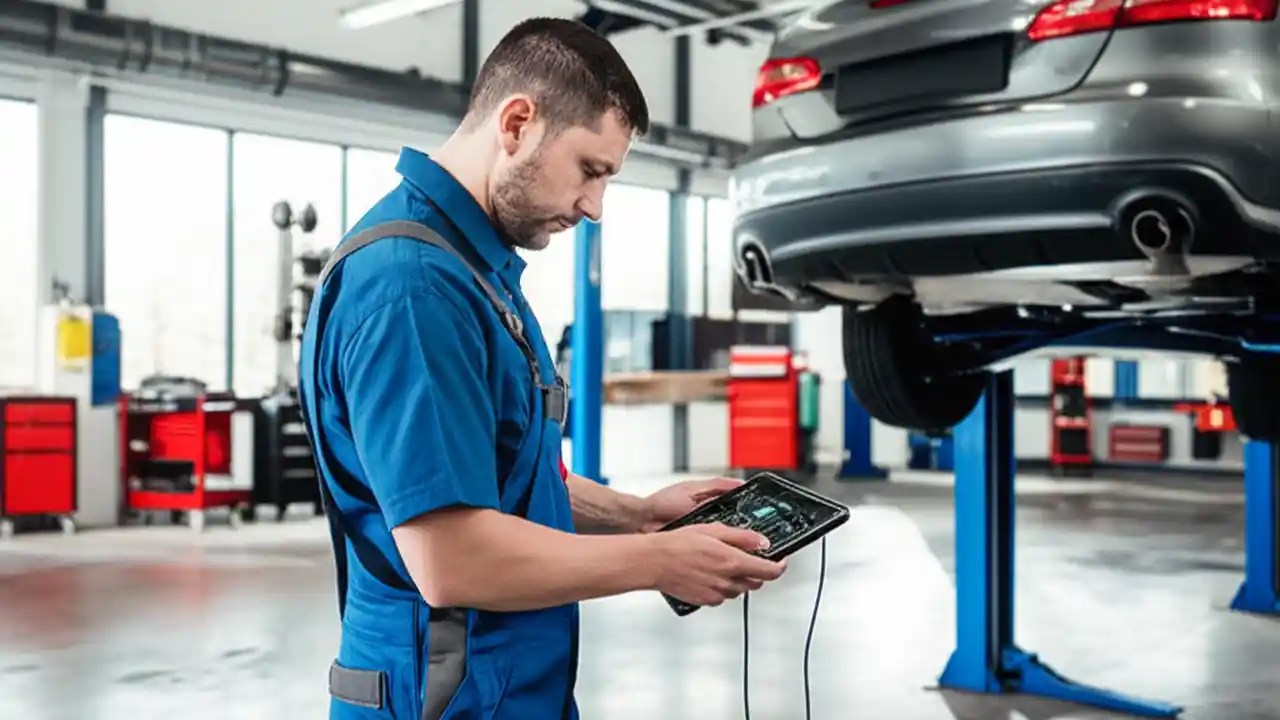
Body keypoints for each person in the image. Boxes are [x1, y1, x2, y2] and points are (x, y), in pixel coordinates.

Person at [297, 17, 787, 720]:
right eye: (591, 169)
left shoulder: (473, 271)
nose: (594, 206)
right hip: (440, 696)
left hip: (500, 686)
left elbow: (504, 477)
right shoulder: (413, 288)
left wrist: (640, 516)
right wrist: (659, 562)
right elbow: (452, 559)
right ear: (517, 123)